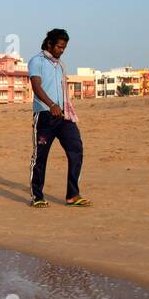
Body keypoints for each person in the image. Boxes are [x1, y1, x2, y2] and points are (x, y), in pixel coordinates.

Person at [27, 28, 88, 208]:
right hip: (45, 115)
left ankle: (73, 195)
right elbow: (36, 87)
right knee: (41, 156)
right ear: (49, 44)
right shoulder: (36, 61)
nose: (62, 50)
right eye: (60, 46)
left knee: (76, 149)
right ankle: (37, 196)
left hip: (63, 115)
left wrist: (63, 108)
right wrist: (51, 104)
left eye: (64, 47)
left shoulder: (61, 65)